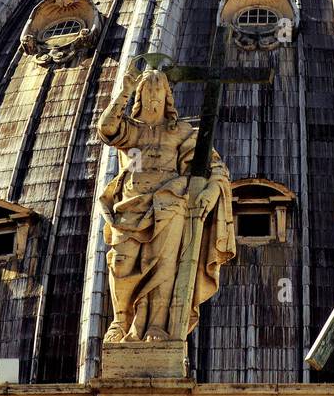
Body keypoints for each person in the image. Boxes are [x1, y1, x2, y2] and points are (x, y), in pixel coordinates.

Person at [97, 69, 234, 343]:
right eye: (147, 90)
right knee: (120, 263)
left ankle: (155, 326)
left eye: (158, 91)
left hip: (169, 207)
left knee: (161, 267)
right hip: (128, 208)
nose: (153, 96)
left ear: (168, 97)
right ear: (138, 96)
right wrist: (123, 91)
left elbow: (215, 167)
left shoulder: (181, 132)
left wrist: (210, 190)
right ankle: (121, 319)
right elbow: (106, 129)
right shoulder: (129, 131)